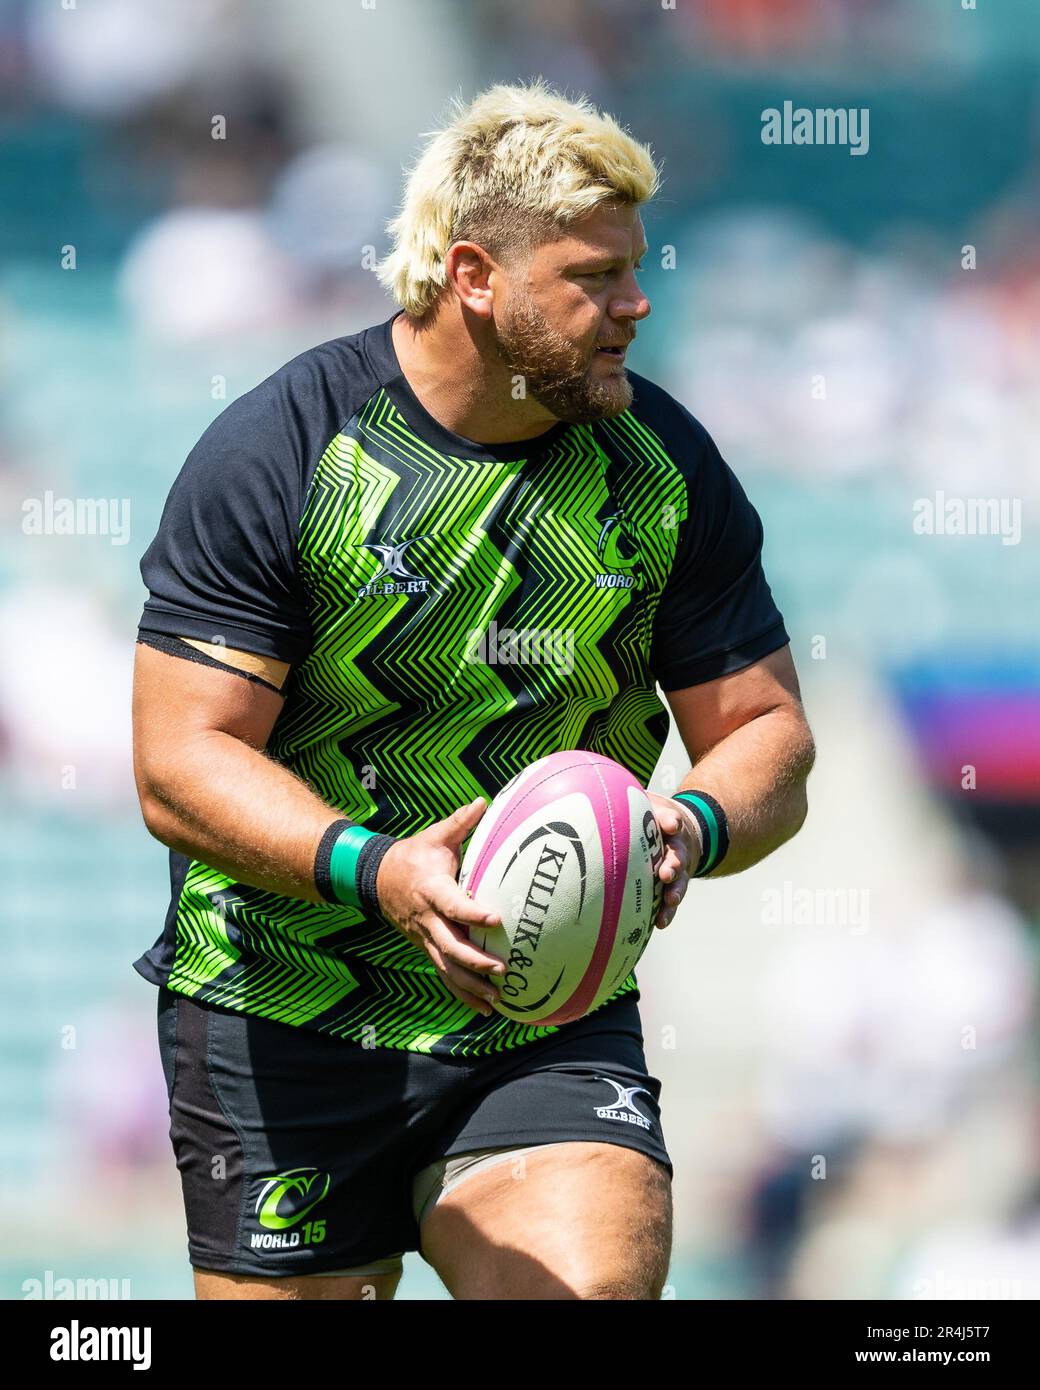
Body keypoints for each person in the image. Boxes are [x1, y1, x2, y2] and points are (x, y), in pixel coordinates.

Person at [132, 77, 815, 1301]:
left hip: (539, 1007)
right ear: (473, 275)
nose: (635, 303)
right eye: (594, 277)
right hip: (280, 1005)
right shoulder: (282, 452)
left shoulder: (661, 469)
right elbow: (179, 764)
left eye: (635, 268)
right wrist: (381, 872)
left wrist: (691, 823)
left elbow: (765, 732)